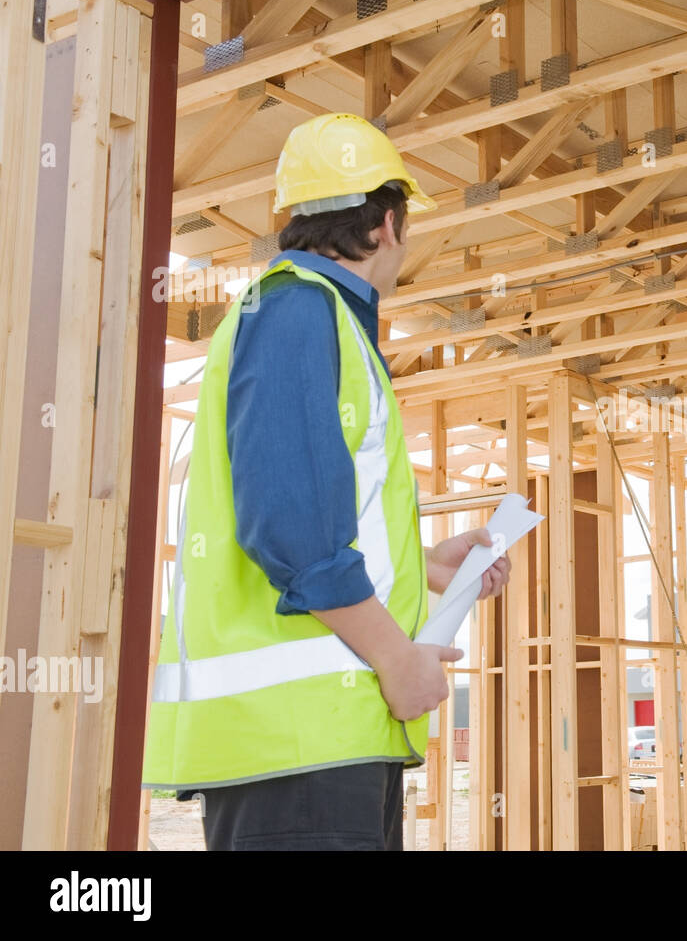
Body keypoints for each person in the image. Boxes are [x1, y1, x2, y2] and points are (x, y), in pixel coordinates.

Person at [142, 113, 511, 850]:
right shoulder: (296, 313)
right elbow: (291, 525)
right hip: (297, 753)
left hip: (322, 745)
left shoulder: (314, 319)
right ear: (388, 224)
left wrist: (425, 561)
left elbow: (313, 508)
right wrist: (396, 656)